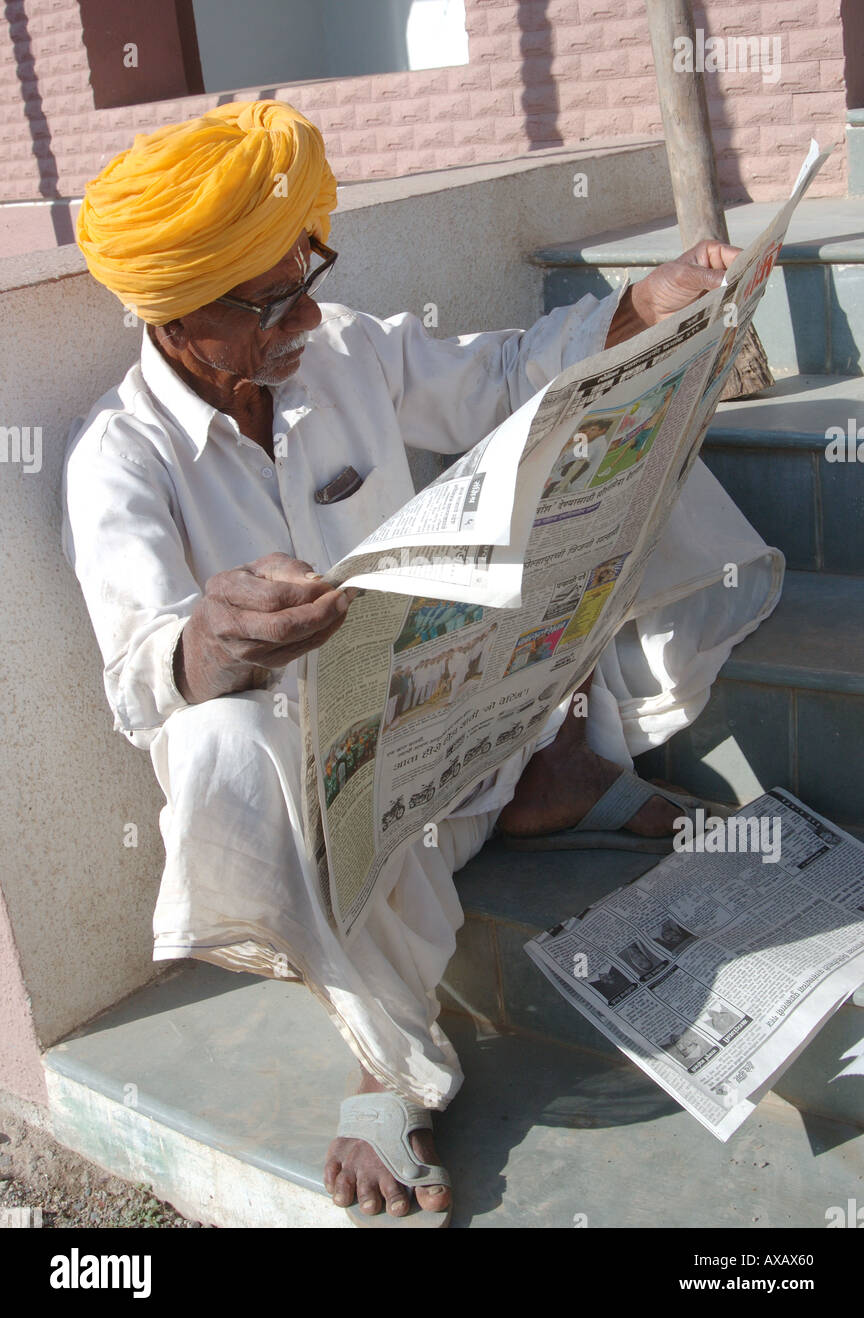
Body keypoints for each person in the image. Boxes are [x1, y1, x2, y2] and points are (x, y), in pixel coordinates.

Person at [64, 100, 782, 1224]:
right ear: (172, 316)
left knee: (607, 425)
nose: (303, 313)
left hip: (458, 712)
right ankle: (391, 1065)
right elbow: (130, 685)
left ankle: (546, 770)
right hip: (323, 791)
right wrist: (206, 645)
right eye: (267, 301)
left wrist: (637, 312)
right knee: (224, 734)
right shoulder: (117, 462)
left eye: (308, 271)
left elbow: (500, 376)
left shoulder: (340, 347)